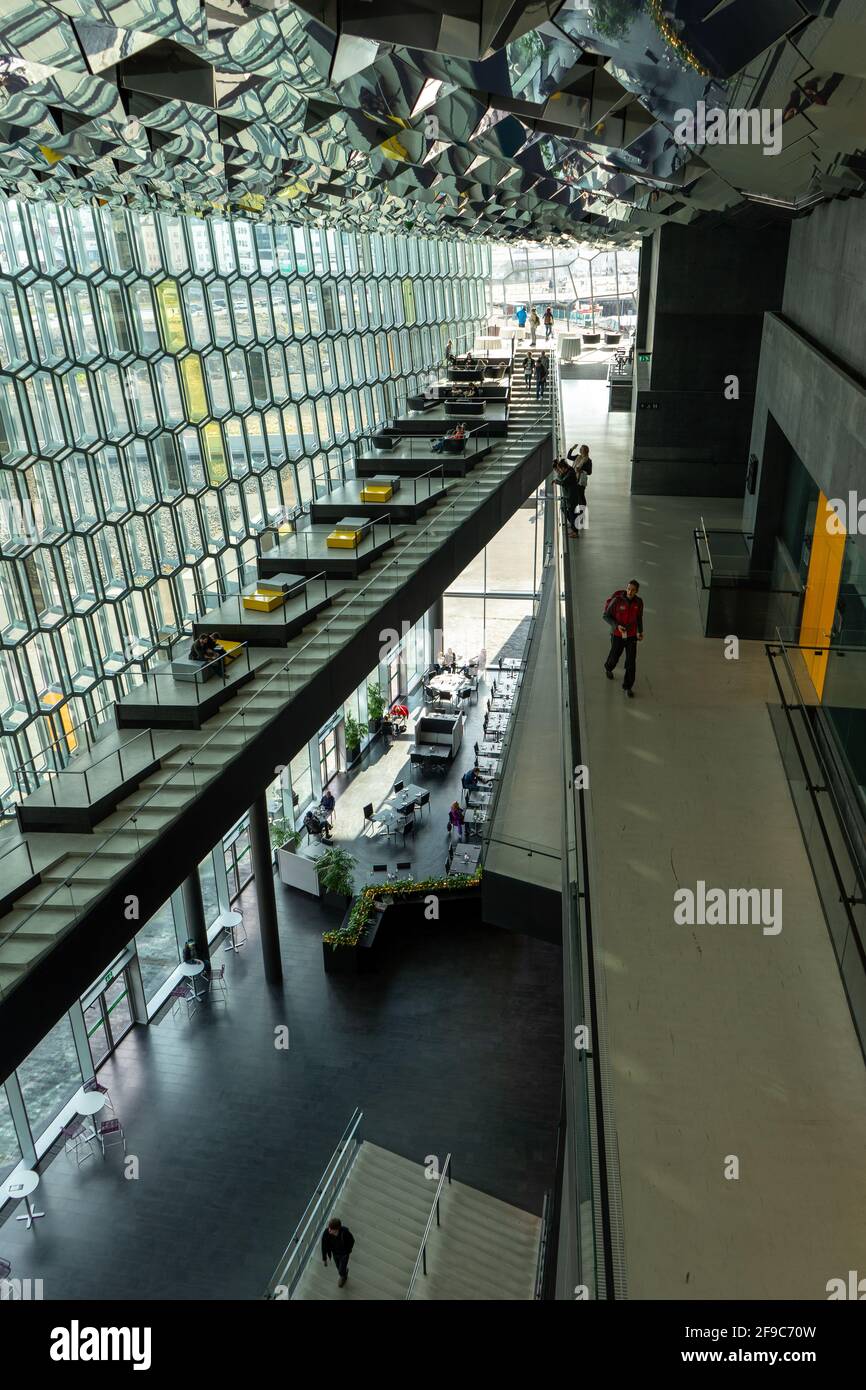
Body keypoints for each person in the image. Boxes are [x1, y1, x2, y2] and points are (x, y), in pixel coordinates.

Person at [603, 580, 644, 698]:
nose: (630, 592)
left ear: (637, 591)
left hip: (631, 636)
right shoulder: (617, 601)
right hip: (617, 634)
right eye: (628, 589)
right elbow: (605, 616)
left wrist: (640, 632)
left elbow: (639, 618)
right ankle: (608, 667)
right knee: (615, 656)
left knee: (631, 662)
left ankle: (628, 686)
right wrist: (617, 626)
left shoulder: (639, 602)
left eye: (633, 590)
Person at [321, 1217, 355, 1288]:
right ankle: (344, 1272)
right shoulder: (326, 1233)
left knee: (341, 1271)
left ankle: (343, 1276)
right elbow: (323, 1246)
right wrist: (324, 1259)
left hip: (344, 1255)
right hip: (335, 1254)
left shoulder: (345, 1233)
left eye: (331, 1229)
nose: (329, 1230)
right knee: (338, 1267)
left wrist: (348, 1251)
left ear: (337, 1229)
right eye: (329, 1227)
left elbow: (352, 1241)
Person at [552, 458, 581, 539]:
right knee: (570, 513)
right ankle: (573, 528)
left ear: (564, 467)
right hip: (569, 496)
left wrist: (555, 481)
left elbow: (563, 482)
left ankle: (575, 531)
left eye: (561, 469)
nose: (560, 471)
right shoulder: (569, 471)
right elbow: (562, 478)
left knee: (573, 515)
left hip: (571, 497)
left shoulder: (570, 473)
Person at [568, 443, 593, 528]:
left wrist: (581, 470)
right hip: (575, 479)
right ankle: (580, 512)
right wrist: (572, 448)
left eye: (581, 449)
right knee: (578, 496)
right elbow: (569, 457)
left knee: (581, 496)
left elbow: (589, 472)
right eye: (580, 449)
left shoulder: (588, 460)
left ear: (585, 451)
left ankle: (582, 512)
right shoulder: (578, 457)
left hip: (581, 481)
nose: (580, 450)